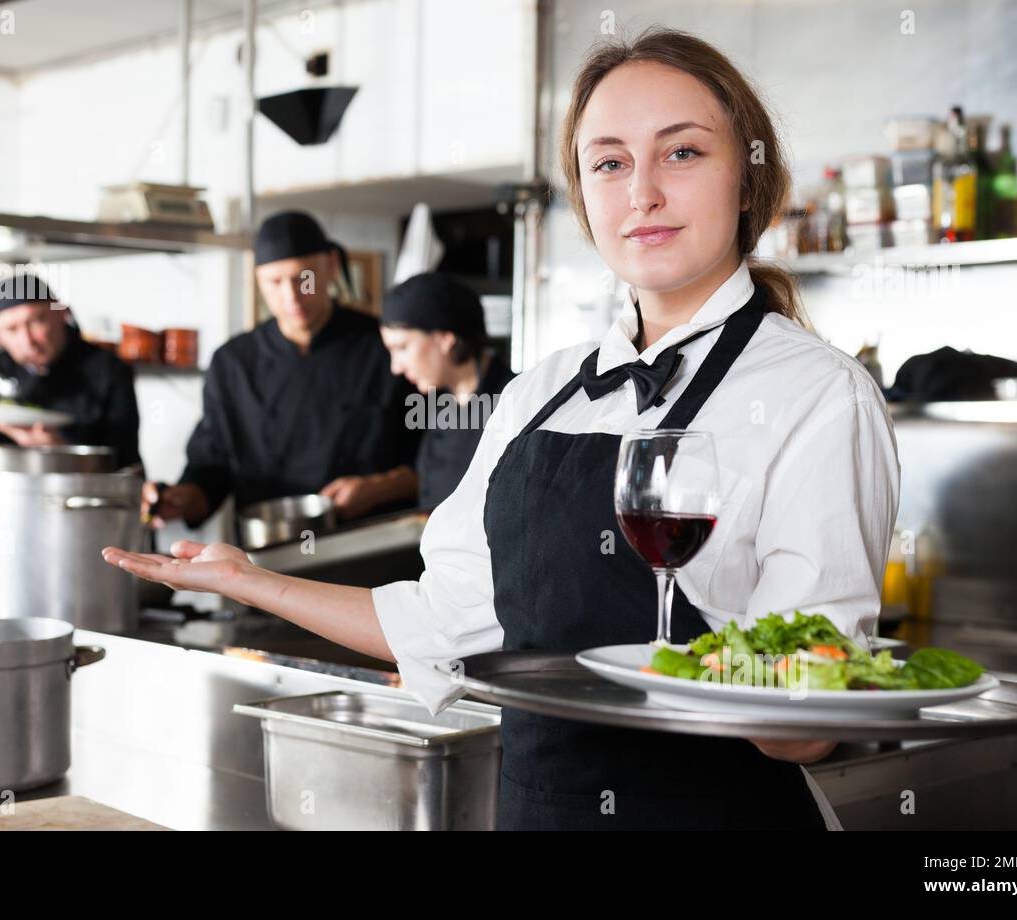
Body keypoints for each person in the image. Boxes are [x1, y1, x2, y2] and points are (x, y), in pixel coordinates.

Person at [103, 28, 899, 830]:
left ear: (748, 177)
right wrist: (245, 580)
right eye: (610, 162)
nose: (642, 193)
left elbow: (804, 729)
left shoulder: (817, 395)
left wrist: (766, 687)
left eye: (683, 153)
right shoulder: (541, 393)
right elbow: (447, 621)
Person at [145, 211, 420, 529]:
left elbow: (443, 457)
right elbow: (210, 467)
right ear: (258, 280)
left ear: (330, 266)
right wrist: (178, 499)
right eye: (275, 282)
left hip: (370, 544)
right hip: (268, 553)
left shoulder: (387, 348)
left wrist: (380, 488)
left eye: (303, 278)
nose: (291, 296)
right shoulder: (233, 363)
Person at [0, 271, 141, 469]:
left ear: (61, 313)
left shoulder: (109, 369)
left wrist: (61, 451)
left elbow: (125, 461)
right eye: (11, 329)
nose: (27, 341)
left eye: (36, 321)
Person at [379, 272, 515, 509]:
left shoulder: (514, 404)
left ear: (445, 339)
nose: (395, 367)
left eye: (401, 347)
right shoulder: (440, 402)